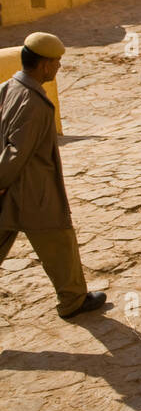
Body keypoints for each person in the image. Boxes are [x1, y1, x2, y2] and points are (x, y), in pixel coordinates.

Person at [0, 33, 107, 320]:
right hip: (33, 190)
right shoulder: (33, 103)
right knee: (59, 243)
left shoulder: (10, 86)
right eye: (57, 62)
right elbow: (15, 153)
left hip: (12, 190)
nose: (59, 68)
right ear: (45, 66)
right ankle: (72, 300)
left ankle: (73, 297)